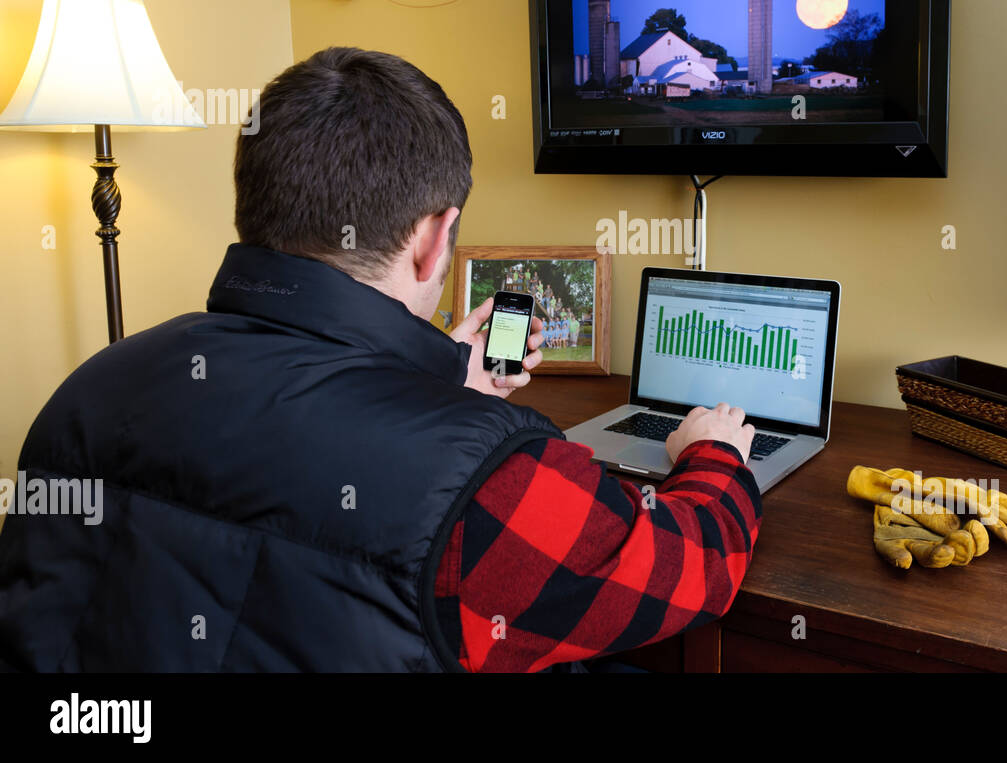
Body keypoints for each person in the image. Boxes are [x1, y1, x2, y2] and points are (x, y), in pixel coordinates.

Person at [0, 47, 760, 673]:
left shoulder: (91, 388)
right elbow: (690, 566)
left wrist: (434, 381)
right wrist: (715, 456)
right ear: (436, 238)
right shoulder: (495, 483)